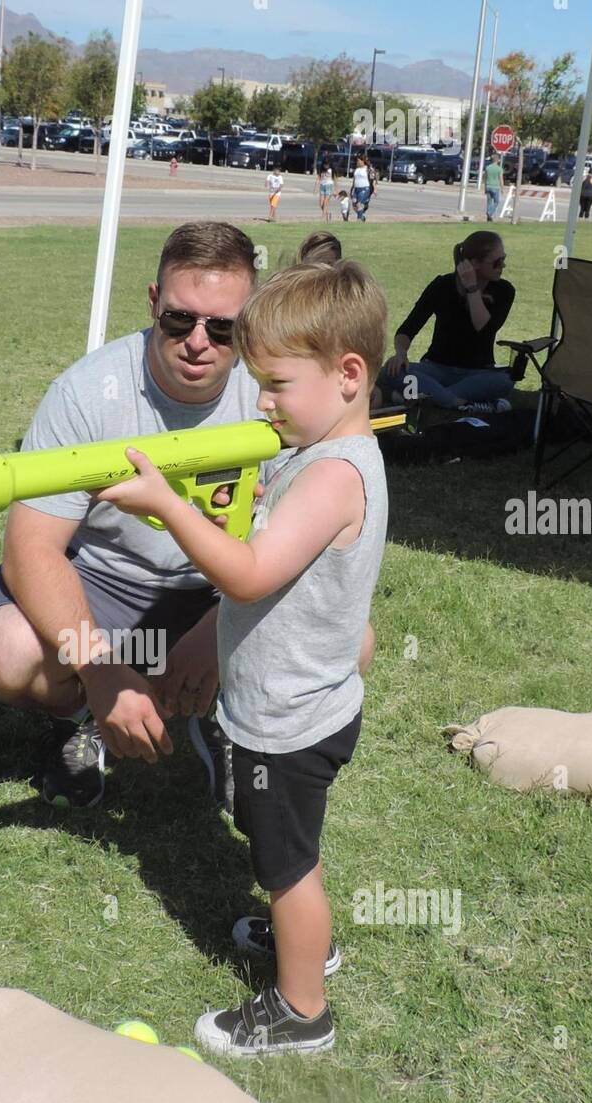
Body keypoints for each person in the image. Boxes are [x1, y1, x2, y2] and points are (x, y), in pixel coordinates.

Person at [0, 222, 378, 811]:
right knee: (6, 652)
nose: (198, 342)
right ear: (154, 302)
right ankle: (80, 717)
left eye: (224, 327)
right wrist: (100, 671)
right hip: (105, 586)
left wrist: (218, 629)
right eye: (180, 319)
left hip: (227, 587)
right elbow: (30, 549)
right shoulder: (86, 393)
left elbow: (301, 547)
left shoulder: (282, 395)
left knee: (352, 641)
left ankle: (233, 726)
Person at [95, 260, 389, 1056]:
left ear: (348, 375)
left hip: (288, 724)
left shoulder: (330, 474)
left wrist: (165, 506)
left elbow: (250, 574)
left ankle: (301, 1009)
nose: (260, 401)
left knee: (286, 865)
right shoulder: (332, 453)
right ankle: (306, 942)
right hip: (303, 704)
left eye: (275, 384)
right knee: (289, 854)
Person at [380, 230, 515, 414]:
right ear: (474, 263)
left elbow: (483, 329)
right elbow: (408, 328)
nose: (503, 265)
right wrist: (401, 353)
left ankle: (425, 399)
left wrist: (472, 288)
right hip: (436, 369)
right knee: (390, 371)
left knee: (505, 380)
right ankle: (460, 404)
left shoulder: (505, 290)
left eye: (503, 259)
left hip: (477, 372)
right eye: (497, 262)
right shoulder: (442, 285)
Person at [350, 155, 372, 221]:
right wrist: (352, 189)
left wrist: (375, 189)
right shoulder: (357, 169)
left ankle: (359, 219)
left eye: (358, 160)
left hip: (365, 189)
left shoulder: (368, 169)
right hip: (356, 189)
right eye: (357, 161)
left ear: (363, 161)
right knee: (354, 205)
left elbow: (372, 180)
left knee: (359, 204)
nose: (357, 162)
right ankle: (362, 216)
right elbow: (354, 180)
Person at [484, 151, 503, 221]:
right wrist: (502, 188)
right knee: (496, 201)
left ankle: (489, 216)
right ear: (497, 160)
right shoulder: (499, 169)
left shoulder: (487, 167)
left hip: (488, 186)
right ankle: (490, 212)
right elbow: (501, 179)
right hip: (495, 187)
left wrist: (485, 187)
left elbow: (485, 178)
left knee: (489, 201)